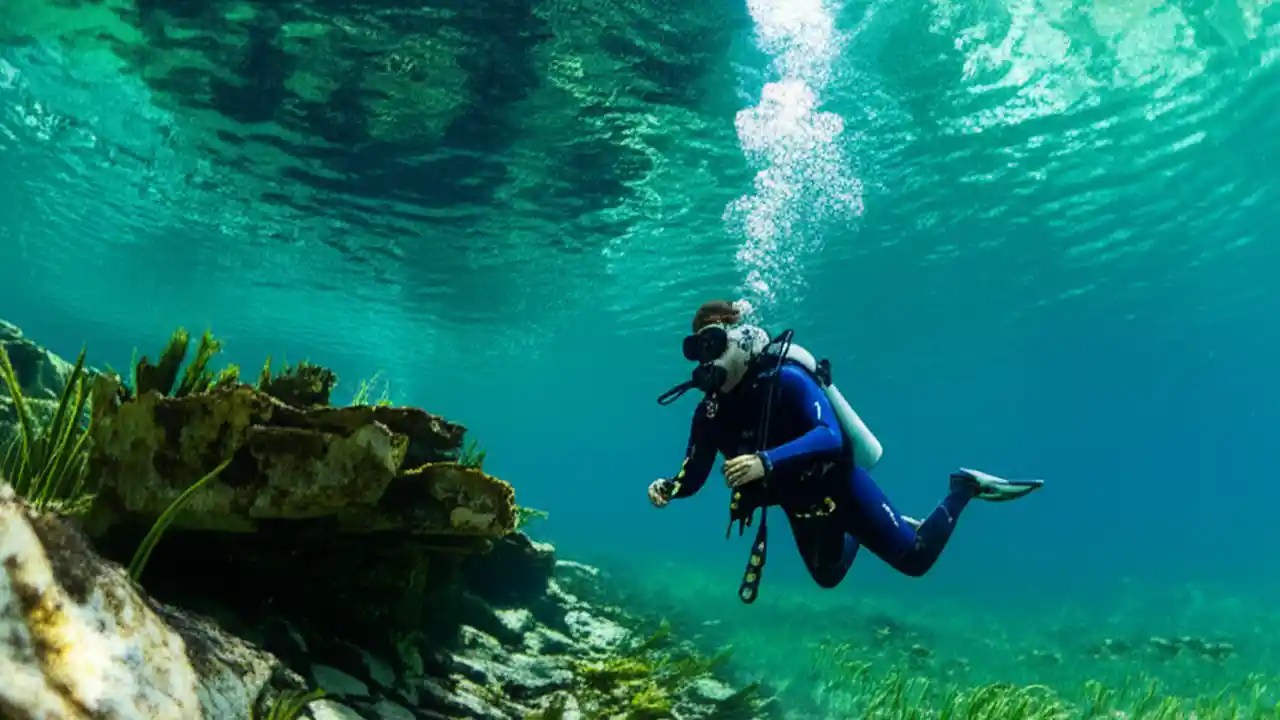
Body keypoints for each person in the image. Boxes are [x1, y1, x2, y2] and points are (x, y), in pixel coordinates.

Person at [648, 300, 1043, 602]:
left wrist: (765, 462)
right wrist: (670, 486)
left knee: (915, 559)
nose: (708, 359)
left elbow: (830, 435)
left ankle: (963, 487)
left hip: (839, 486)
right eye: (698, 349)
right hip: (798, 503)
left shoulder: (784, 380)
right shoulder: (710, 413)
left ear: (738, 339)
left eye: (713, 344)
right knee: (828, 577)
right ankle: (878, 525)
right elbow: (694, 471)